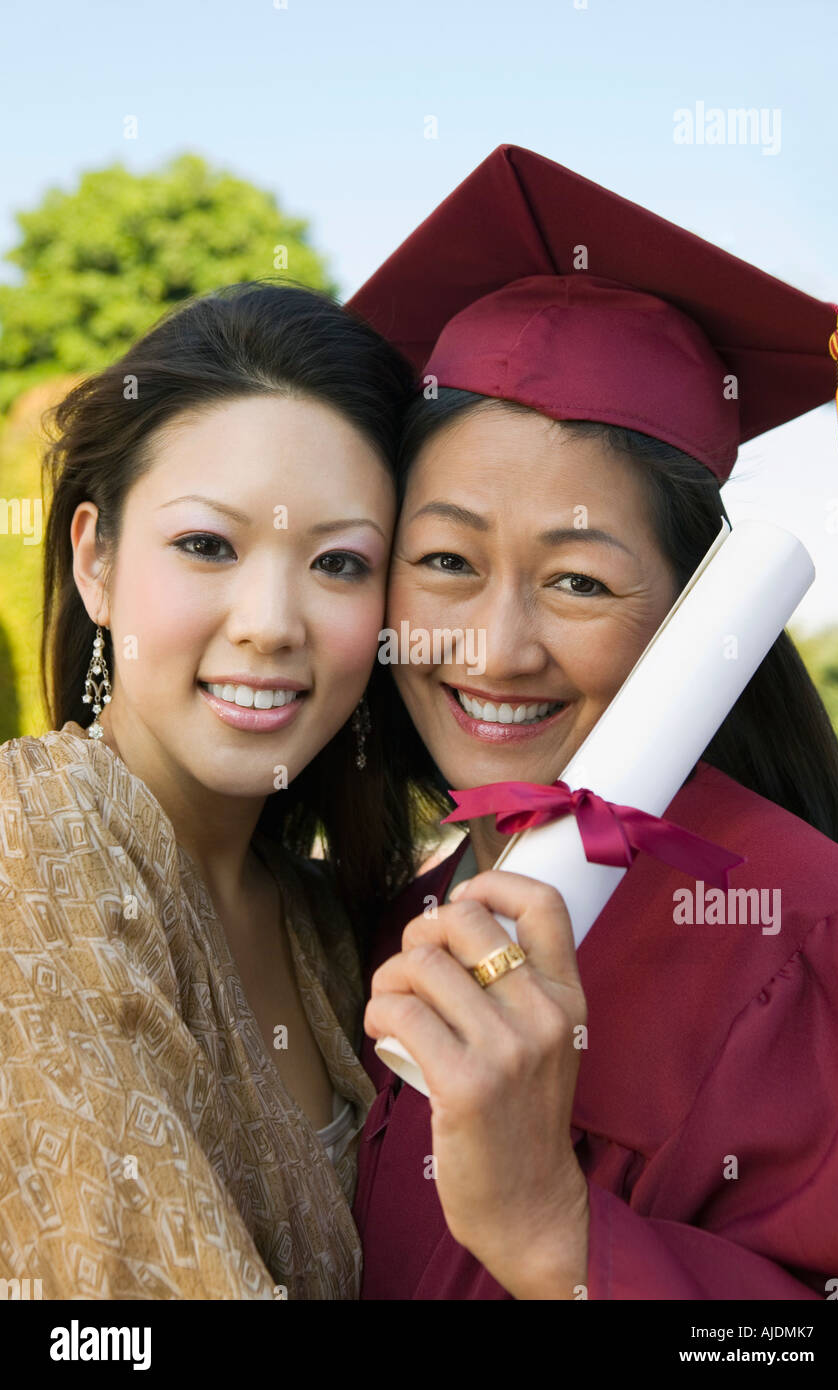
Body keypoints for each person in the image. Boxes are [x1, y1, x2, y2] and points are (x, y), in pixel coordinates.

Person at [346, 144, 838, 1299]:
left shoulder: (817, 946)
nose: (494, 649)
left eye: (579, 580)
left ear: (694, 615)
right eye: (444, 561)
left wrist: (553, 1236)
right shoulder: (400, 916)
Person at [0, 280, 422, 1298]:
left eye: (338, 561)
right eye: (206, 545)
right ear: (95, 559)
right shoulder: (35, 837)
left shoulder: (331, 924)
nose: (271, 622)